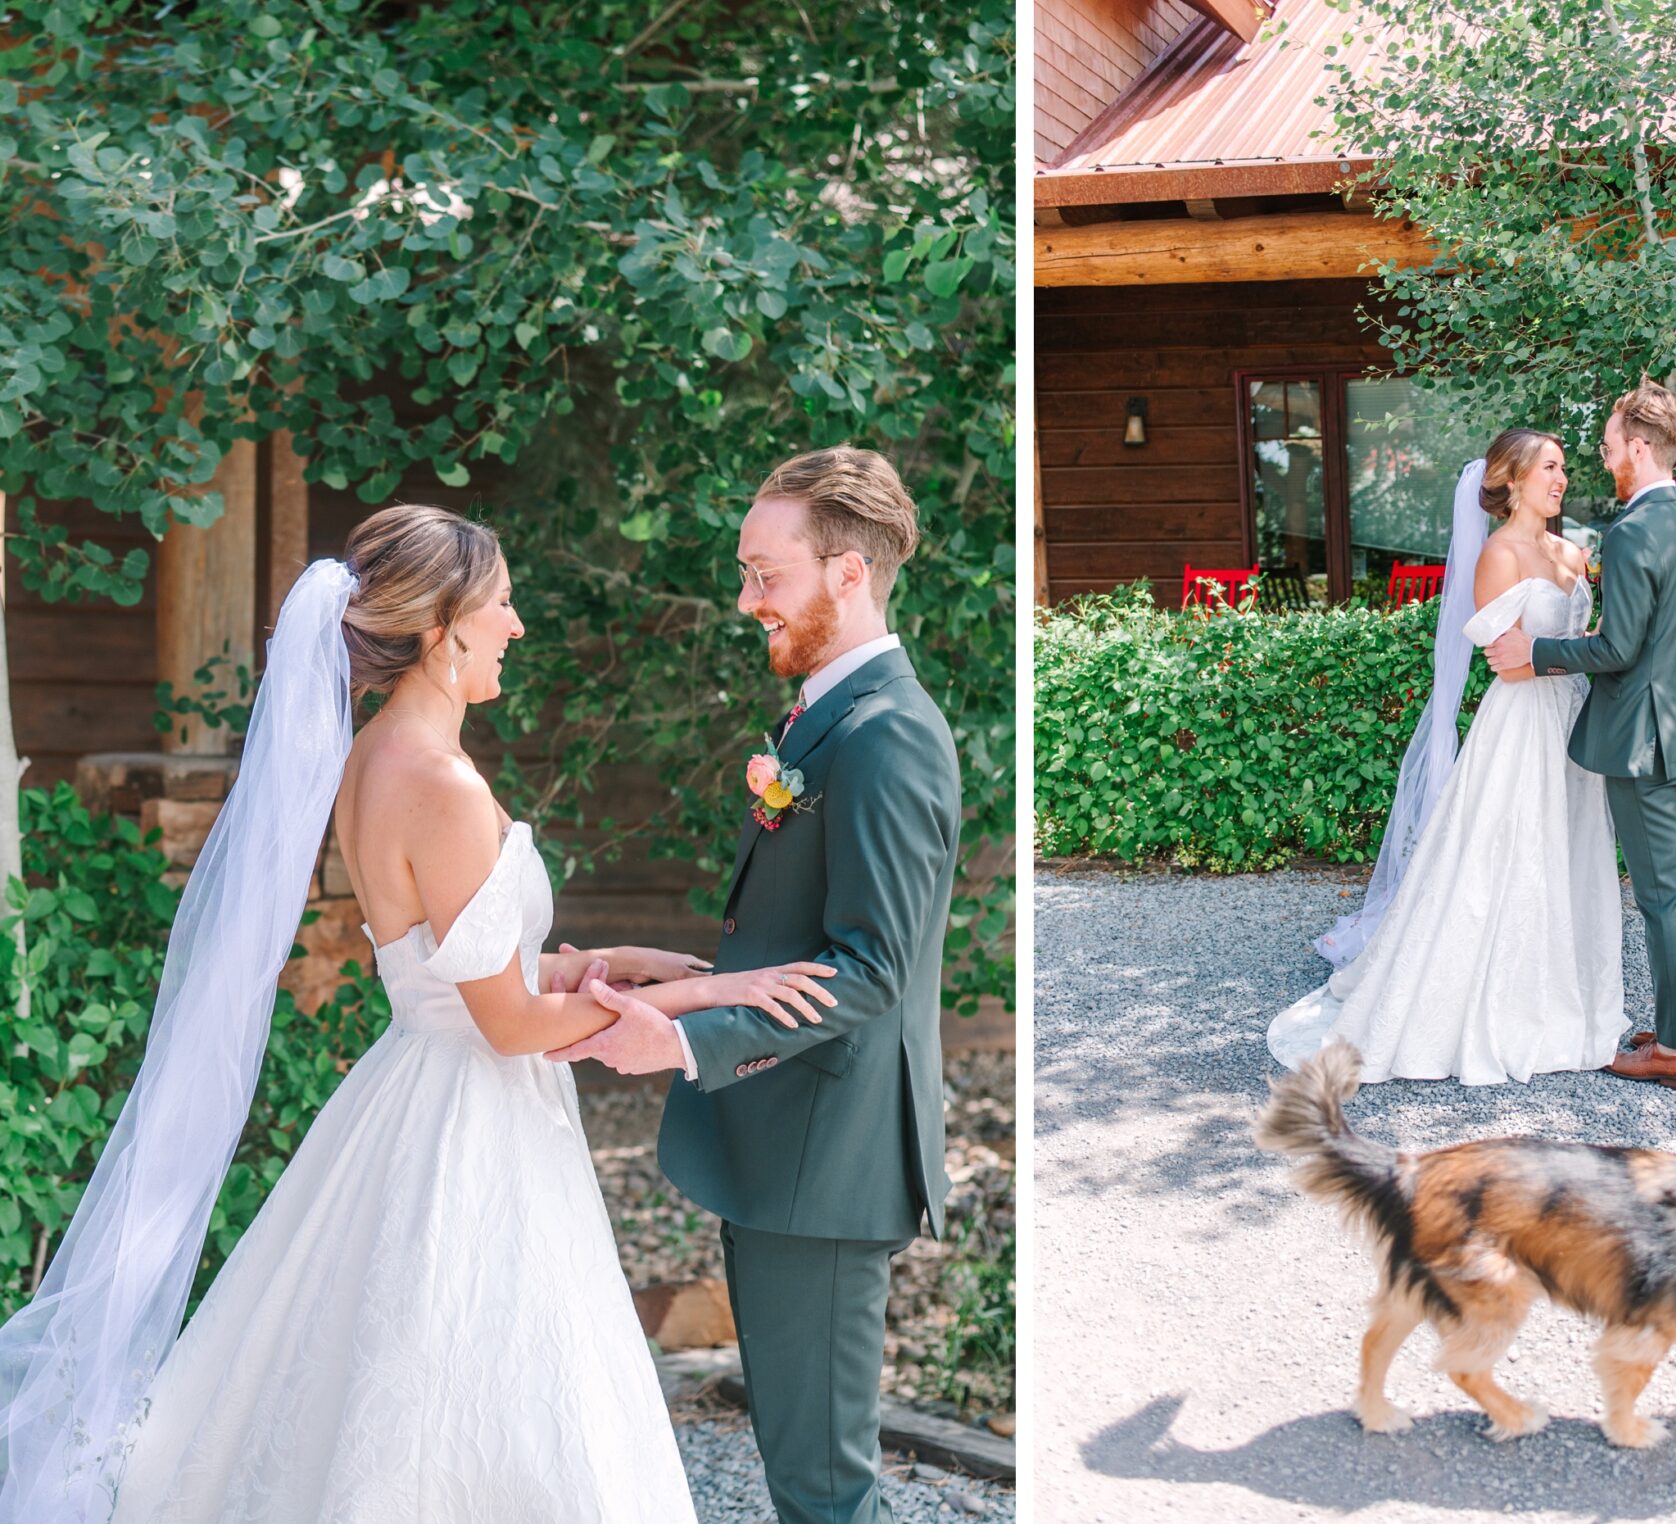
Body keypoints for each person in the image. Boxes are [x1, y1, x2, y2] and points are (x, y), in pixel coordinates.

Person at [0, 505, 831, 1523]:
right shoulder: (437, 782)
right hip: (468, 1123)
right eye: (502, 603)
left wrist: (619, 962)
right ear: (440, 628)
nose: (516, 626)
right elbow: (510, 1026)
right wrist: (712, 992)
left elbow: (461, 968)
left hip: (415, 1087)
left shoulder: (373, 759)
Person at [550, 446, 962, 1524]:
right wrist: (686, 980)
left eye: (764, 573)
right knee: (797, 1471)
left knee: (824, 1491)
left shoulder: (888, 736)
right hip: (790, 1153)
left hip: (829, 1162)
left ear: (845, 574)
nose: (745, 601)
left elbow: (870, 969)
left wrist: (686, 1043)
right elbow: (795, 935)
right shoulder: (824, 720)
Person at [1267, 430, 1626, 1086]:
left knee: (1568, 851)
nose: (1562, 479)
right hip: (1521, 728)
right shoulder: (1499, 554)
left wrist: (1578, 653)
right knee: (1509, 856)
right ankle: (1498, 998)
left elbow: (1579, 644)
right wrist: (1568, 654)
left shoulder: (1575, 555)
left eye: (1565, 468)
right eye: (1549, 467)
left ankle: (1562, 989)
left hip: (1574, 723)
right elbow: (1508, 667)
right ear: (1512, 479)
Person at [1485, 379, 1676, 1090]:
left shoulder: (1633, 532)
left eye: (1605, 447)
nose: (1602, 461)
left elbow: (1619, 648)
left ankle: (1673, 1049)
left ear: (1638, 447)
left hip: (1642, 735)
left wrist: (1536, 654)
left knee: (1663, 894)